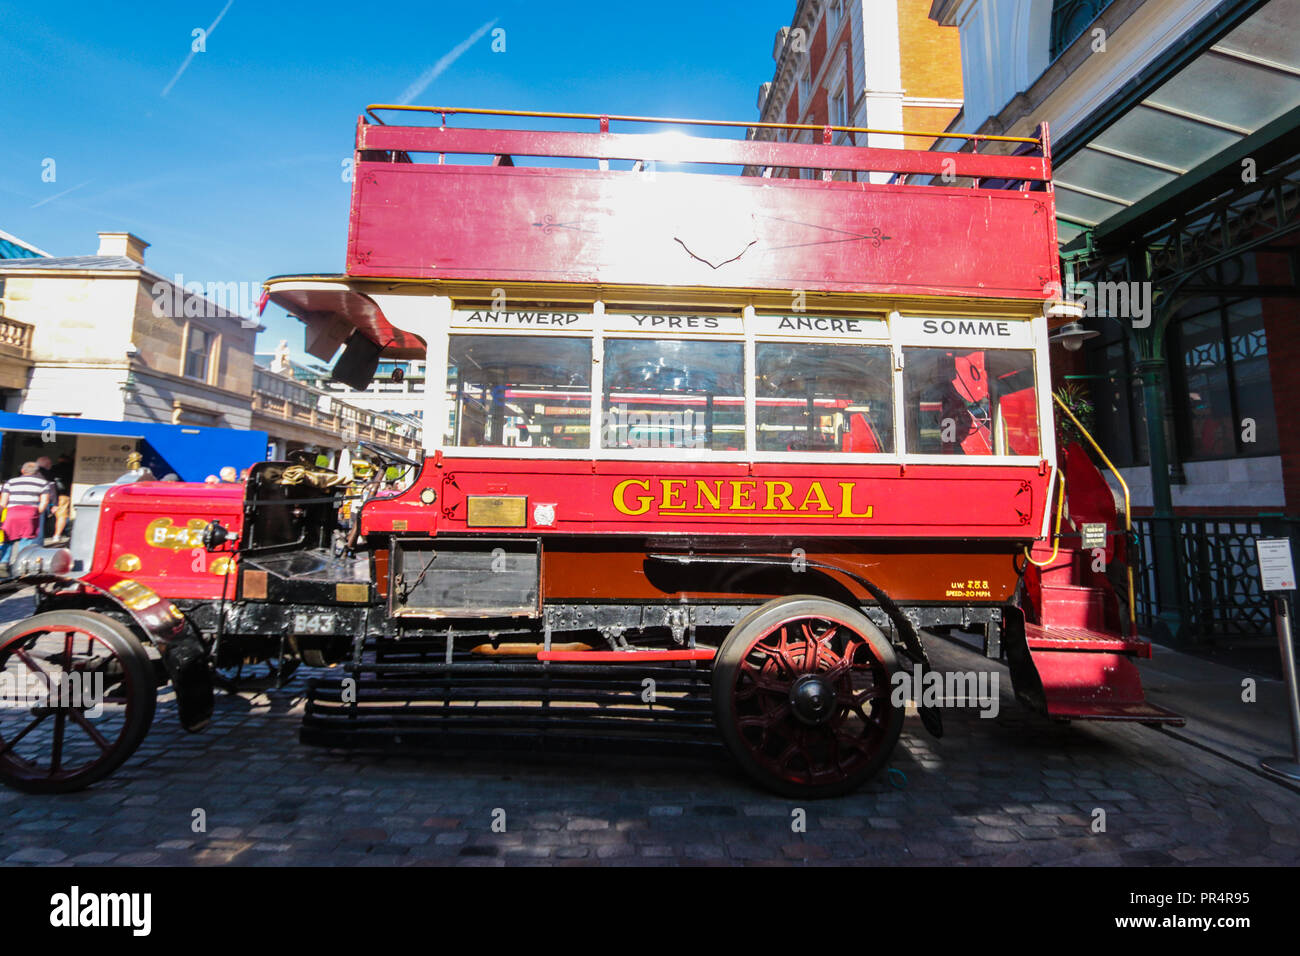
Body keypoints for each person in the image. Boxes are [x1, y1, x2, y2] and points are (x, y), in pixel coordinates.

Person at [0, 462, 53, 574]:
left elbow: (3, 503)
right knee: (26, 540)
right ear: (36, 472)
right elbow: (44, 502)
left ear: (22, 471)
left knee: (8, 539)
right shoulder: (43, 483)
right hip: (30, 513)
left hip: (12, 513)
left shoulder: (11, 482)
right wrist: (36, 513)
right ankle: (20, 564)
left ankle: (3, 563)